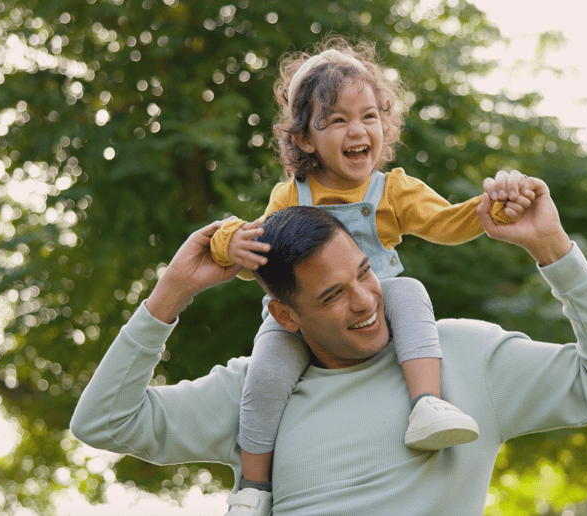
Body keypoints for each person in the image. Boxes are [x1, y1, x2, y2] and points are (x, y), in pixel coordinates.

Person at [70, 173, 587, 515]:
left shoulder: (464, 358)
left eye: (364, 272)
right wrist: (170, 293)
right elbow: (105, 421)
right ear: (286, 315)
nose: (364, 301)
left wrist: (552, 248)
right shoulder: (257, 394)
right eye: (332, 296)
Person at [207, 38, 526, 513]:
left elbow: (443, 223)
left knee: (411, 292)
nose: (357, 129)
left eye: (369, 115)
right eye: (336, 120)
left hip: (378, 302)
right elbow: (252, 256)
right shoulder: (289, 197)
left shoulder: (393, 191)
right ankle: (254, 487)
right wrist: (225, 241)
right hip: (307, 316)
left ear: (385, 123)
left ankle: (426, 405)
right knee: (265, 370)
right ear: (304, 138)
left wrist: (489, 208)